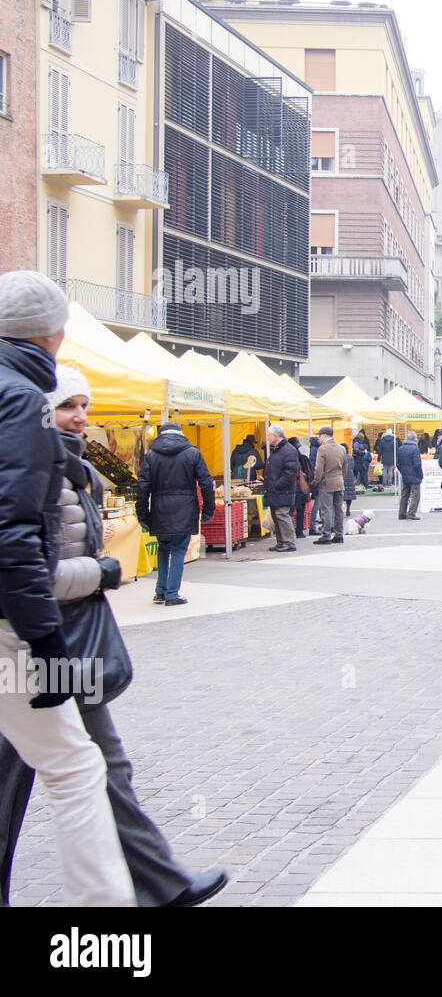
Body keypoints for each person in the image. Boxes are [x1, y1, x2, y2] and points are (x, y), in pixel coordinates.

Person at [0, 365, 227, 908]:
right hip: (38, 644)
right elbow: (30, 569)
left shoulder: (71, 469)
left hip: (52, 640)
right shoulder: (42, 471)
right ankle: (145, 888)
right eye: (66, 406)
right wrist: (102, 573)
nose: (79, 416)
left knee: (77, 764)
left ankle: (156, 882)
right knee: (86, 764)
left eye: (83, 405)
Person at [0, 270, 134, 906]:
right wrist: (44, 637)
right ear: (54, 334)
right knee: (78, 765)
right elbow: (15, 534)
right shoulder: (20, 401)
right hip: (18, 627)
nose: (77, 417)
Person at [137, 422, 215, 606]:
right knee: (179, 549)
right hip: (185, 507)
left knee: (163, 549)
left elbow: (142, 486)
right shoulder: (193, 453)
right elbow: (206, 483)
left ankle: (161, 591)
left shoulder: (151, 455)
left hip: (159, 507)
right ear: (181, 434)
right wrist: (208, 510)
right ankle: (172, 593)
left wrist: (142, 513)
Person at [263, 424, 301, 553]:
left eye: (269, 435)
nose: (267, 438)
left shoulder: (288, 450)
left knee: (282, 515)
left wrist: (276, 485)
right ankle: (281, 542)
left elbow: (290, 473)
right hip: (276, 490)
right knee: (277, 516)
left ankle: (289, 542)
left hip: (283, 490)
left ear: (275, 436)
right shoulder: (278, 449)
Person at [312, 426, 349, 544]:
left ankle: (326, 535)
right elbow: (345, 467)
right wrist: (340, 477)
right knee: (338, 509)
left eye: (319, 436)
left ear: (324, 436)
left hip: (326, 482)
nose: (318, 438)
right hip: (339, 481)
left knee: (326, 509)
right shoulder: (341, 448)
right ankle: (339, 534)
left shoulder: (322, 449)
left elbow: (318, 469)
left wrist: (316, 481)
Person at [396, 432, 423, 520]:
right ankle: (411, 513)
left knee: (404, 495)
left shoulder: (401, 448)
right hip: (414, 475)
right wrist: (420, 474)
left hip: (405, 475)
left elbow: (398, 463)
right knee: (416, 495)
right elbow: (417, 464)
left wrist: (403, 472)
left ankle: (401, 513)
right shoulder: (415, 449)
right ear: (414, 438)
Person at [289, 437, 311, 538]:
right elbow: (310, 473)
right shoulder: (303, 458)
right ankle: (299, 531)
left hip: (292, 488)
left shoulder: (289, 458)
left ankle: (290, 531)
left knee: (290, 511)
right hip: (302, 488)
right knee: (300, 510)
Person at [342, 440, 357, 516]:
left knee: (341, 494)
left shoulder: (340, 457)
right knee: (349, 495)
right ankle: (348, 508)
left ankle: (341, 509)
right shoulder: (350, 457)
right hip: (350, 476)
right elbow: (353, 466)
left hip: (342, 476)